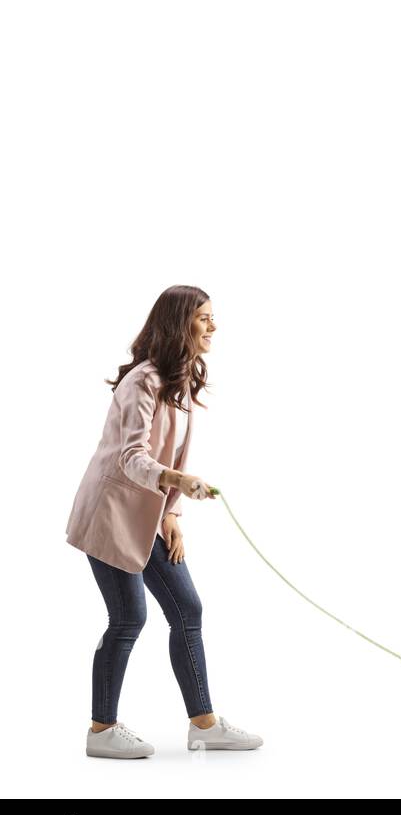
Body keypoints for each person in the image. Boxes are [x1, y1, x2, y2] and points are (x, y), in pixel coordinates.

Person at [66, 285, 263, 758]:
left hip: (150, 514)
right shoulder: (143, 381)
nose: (213, 326)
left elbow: (171, 453)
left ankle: (204, 724)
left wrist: (172, 511)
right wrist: (174, 479)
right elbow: (131, 457)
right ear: (180, 323)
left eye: (213, 317)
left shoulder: (180, 381)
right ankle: (101, 731)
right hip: (110, 515)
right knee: (129, 616)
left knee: (187, 609)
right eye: (204, 318)